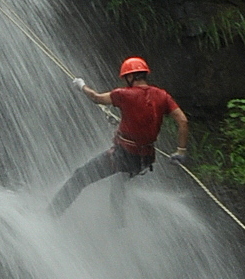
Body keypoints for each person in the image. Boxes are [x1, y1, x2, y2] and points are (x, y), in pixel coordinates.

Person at [48, 56, 188, 217]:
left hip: (124, 156)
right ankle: (118, 224)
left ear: (130, 77)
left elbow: (96, 98)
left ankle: (50, 214)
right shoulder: (162, 96)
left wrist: (82, 86)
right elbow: (183, 121)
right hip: (145, 158)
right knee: (118, 184)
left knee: (80, 176)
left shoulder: (124, 94)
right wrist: (181, 151)